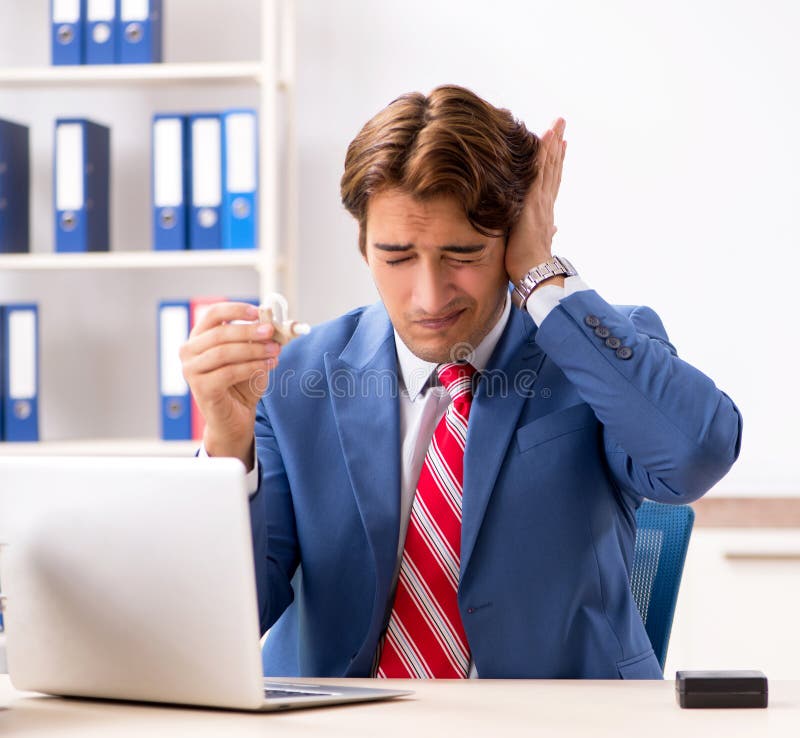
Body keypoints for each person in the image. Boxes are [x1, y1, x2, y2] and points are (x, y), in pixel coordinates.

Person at [180, 85, 742, 679]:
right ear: (362, 244)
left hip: (552, 725)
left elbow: (695, 454)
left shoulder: (594, 353)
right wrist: (226, 441)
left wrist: (541, 277)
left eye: (463, 254)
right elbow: (226, 615)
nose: (428, 297)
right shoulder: (297, 376)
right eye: (396, 257)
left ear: (512, 239)